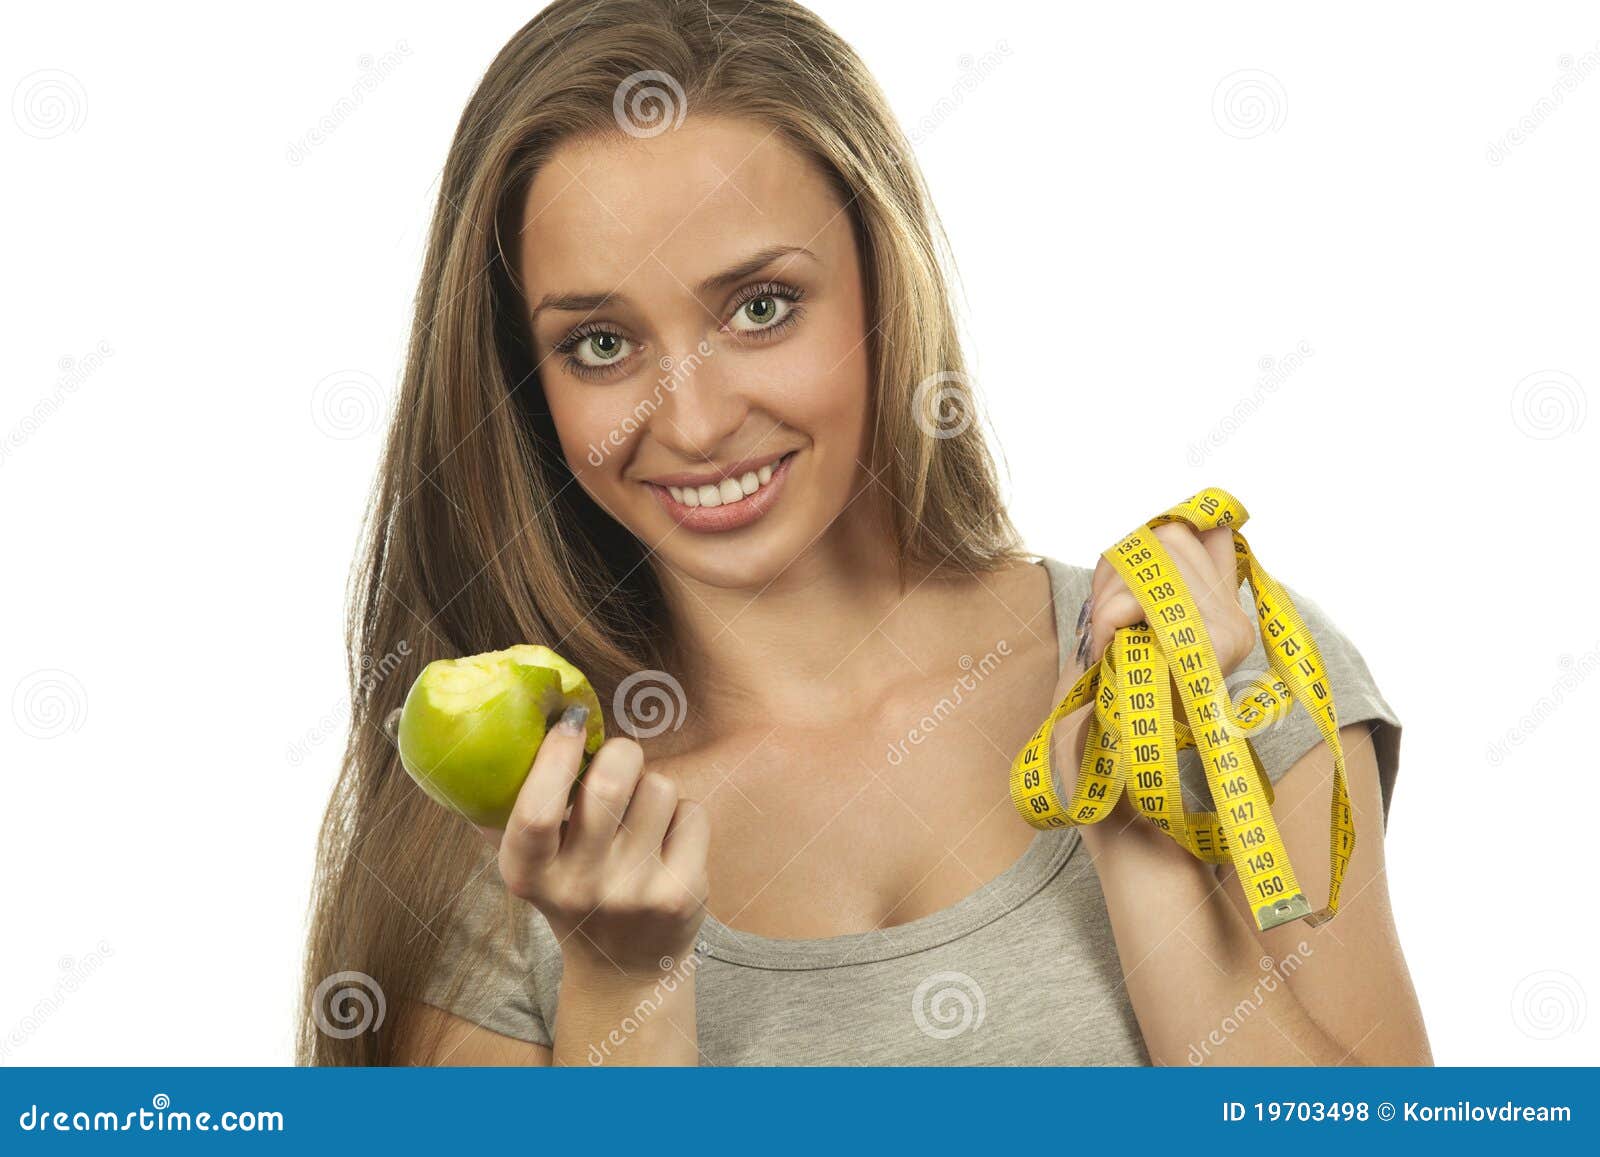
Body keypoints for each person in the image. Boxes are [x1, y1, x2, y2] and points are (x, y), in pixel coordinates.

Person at [298, 0, 1430, 1067]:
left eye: (760, 308)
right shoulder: (500, 849)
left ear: (884, 283)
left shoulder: (1215, 670)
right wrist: (617, 981)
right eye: (600, 344)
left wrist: (1147, 846)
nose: (693, 422)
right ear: (523, 379)